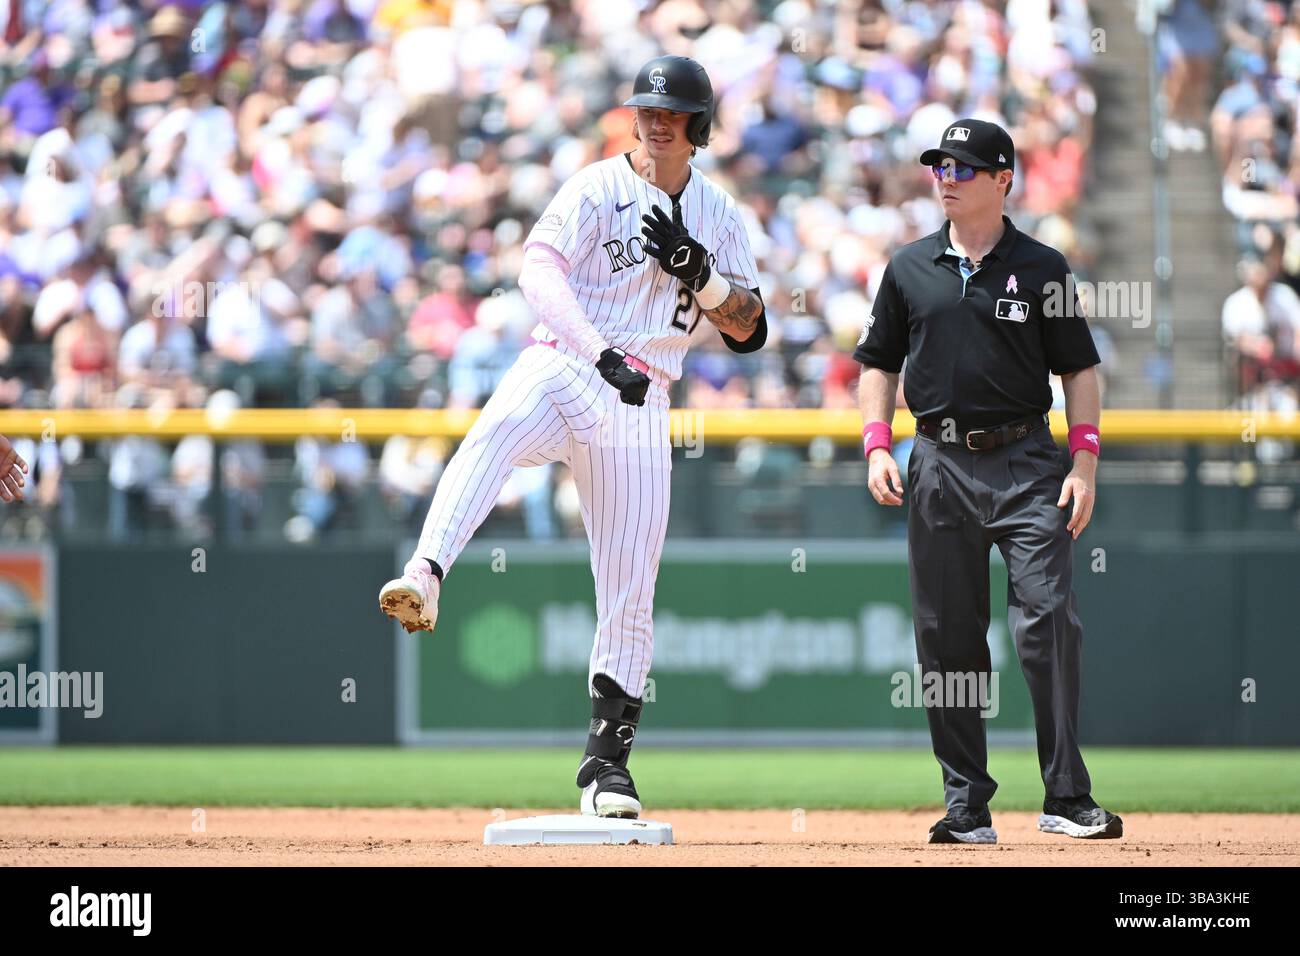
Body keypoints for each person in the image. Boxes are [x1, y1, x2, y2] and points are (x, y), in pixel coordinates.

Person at [378, 55, 766, 819]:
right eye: (646, 109)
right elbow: (537, 273)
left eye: (671, 113)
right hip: (571, 362)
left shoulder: (719, 214)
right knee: (496, 427)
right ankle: (426, 572)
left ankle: (606, 770)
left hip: (645, 399)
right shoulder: (594, 186)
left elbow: (749, 328)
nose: (655, 122)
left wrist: (704, 277)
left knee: (629, 589)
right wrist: (598, 351)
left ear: (699, 127)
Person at [855, 119, 1122, 844]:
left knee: (1048, 623)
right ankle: (966, 806)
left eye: (966, 167)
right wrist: (878, 443)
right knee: (947, 640)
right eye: (942, 165)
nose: (947, 176)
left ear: (1004, 179)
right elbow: (877, 363)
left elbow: (1079, 370)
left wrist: (1086, 460)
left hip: (1028, 463)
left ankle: (1066, 796)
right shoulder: (909, 266)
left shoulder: (1042, 267)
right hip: (936, 462)